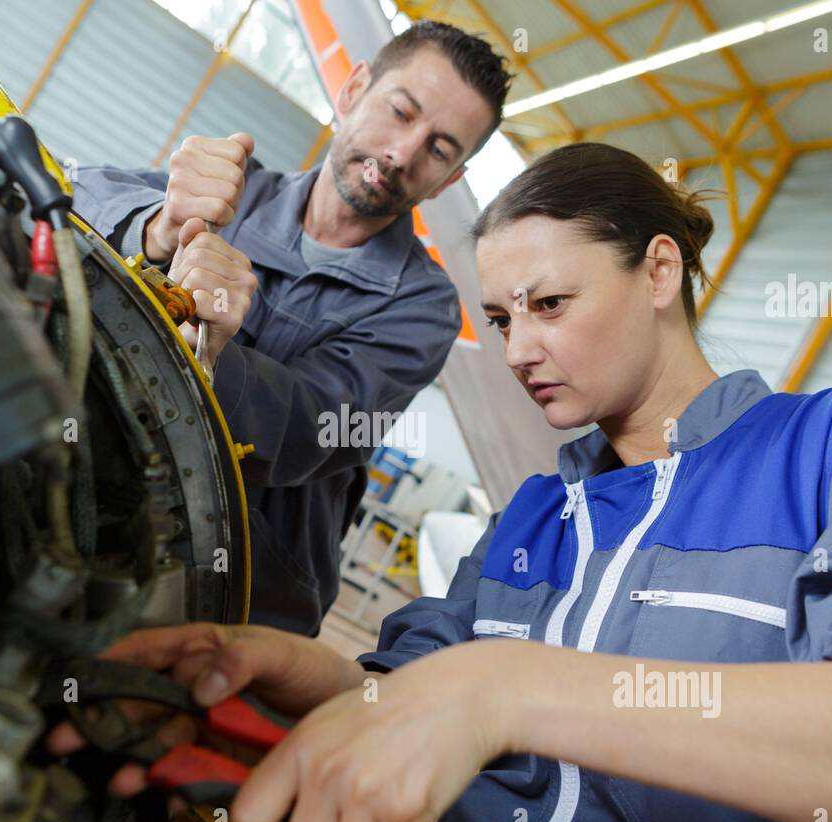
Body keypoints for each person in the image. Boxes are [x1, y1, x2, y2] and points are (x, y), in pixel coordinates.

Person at [51, 141, 832, 822]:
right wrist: (276, 660)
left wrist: (504, 685)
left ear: (657, 271)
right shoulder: (536, 516)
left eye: (548, 305)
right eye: (503, 318)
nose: (515, 350)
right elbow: (408, 699)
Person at [69, 22, 514, 635]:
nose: (402, 153)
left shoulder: (424, 307)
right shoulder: (236, 192)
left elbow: (320, 429)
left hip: (238, 580)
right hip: (93, 494)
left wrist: (213, 353)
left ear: (452, 178)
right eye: (400, 111)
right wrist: (155, 230)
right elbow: (70, 192)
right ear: (353, 89)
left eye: (439, 149)